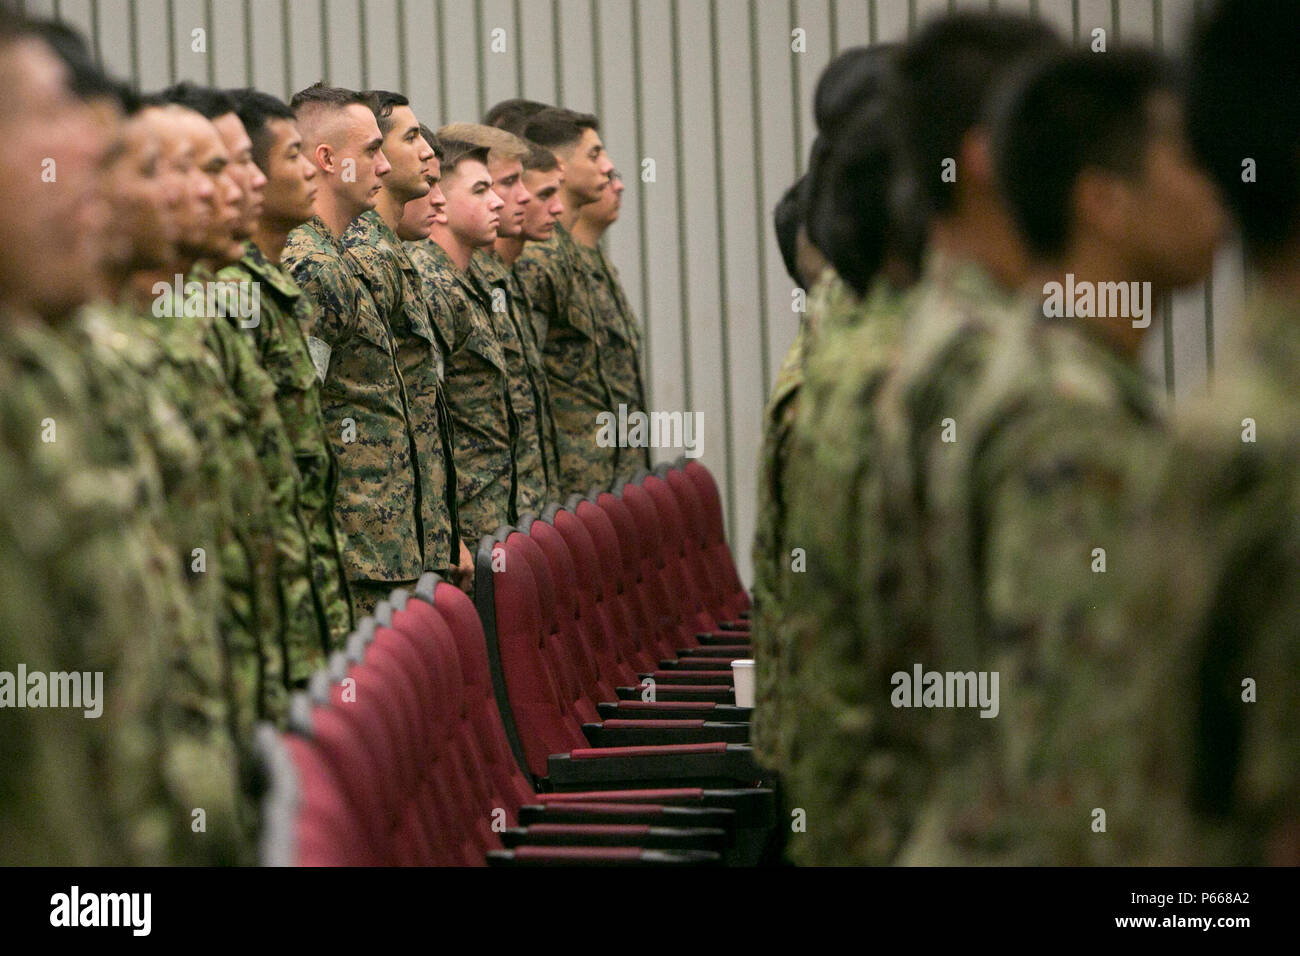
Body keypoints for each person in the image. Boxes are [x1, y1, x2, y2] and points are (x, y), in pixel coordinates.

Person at [281, 83, 426, 616]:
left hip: (381, 547)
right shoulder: (311, 268)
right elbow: (299, 420)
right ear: (326, 159)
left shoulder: (336, 259)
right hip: (352, 555)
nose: (385, 167)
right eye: (371, 151)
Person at [222, 87, 355, 649]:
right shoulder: (226, 300)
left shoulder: (277, 284)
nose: (308, 172)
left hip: (314, 577)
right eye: (290, 157)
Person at [343, 89, 472, 594]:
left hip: (412, 535)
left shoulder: (393, 254)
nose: (426, 151)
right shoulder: (362, 257)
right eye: (411, 137)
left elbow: (420, 412)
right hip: (375, 543)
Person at [406, 136, 519, 545]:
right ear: (440, 202)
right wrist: (445, 537)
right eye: (480, 190)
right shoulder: (432, 285)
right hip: (465, 524)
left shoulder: (469, 281)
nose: (498, 202)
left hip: (493, 514)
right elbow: (427, 422)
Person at [514, 107, 618, 496]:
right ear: (560, 165)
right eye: (594, 155)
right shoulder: (540, 257)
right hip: (568, 479)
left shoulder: (568, 251)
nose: (608, 169)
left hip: (595, 472)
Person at [572, 168, 651, 482]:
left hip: (618, 464)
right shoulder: (552, 266)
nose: (619, 186)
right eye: (606, 178)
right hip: (582, 472)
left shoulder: (599, 263)